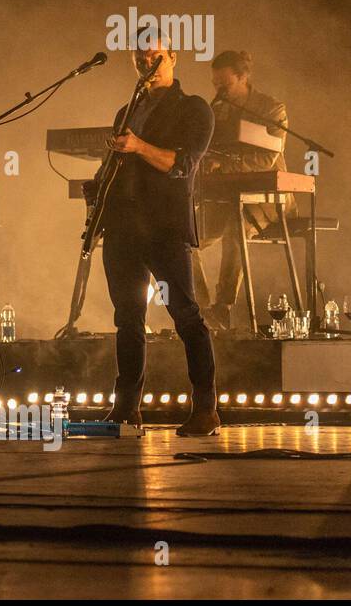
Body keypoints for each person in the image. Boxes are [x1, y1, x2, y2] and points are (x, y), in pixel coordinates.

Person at [95, 28, 220, 436]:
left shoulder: (194, 109)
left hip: (164, 228)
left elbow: (183, 165)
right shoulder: (126, 111)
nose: (147, 65)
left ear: (173, 58)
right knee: (128, 319)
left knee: (185, 315)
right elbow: (116, 166)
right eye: (140, 59)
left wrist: (139, 147)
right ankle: (126, 407)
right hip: (124, 229)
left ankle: (205, 409)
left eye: (155, 58)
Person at [193, 50, 291, 329]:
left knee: (236, 227)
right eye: (215, 85)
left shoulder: (272, 109)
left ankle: (223, 306)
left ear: (244, 77)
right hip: (225, 198)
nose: (219, 90)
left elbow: (265, 159)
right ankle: (199, 311)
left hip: (265, 199)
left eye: (225, 84)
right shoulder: (216, 111)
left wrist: (221, 166)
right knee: (184, 237)